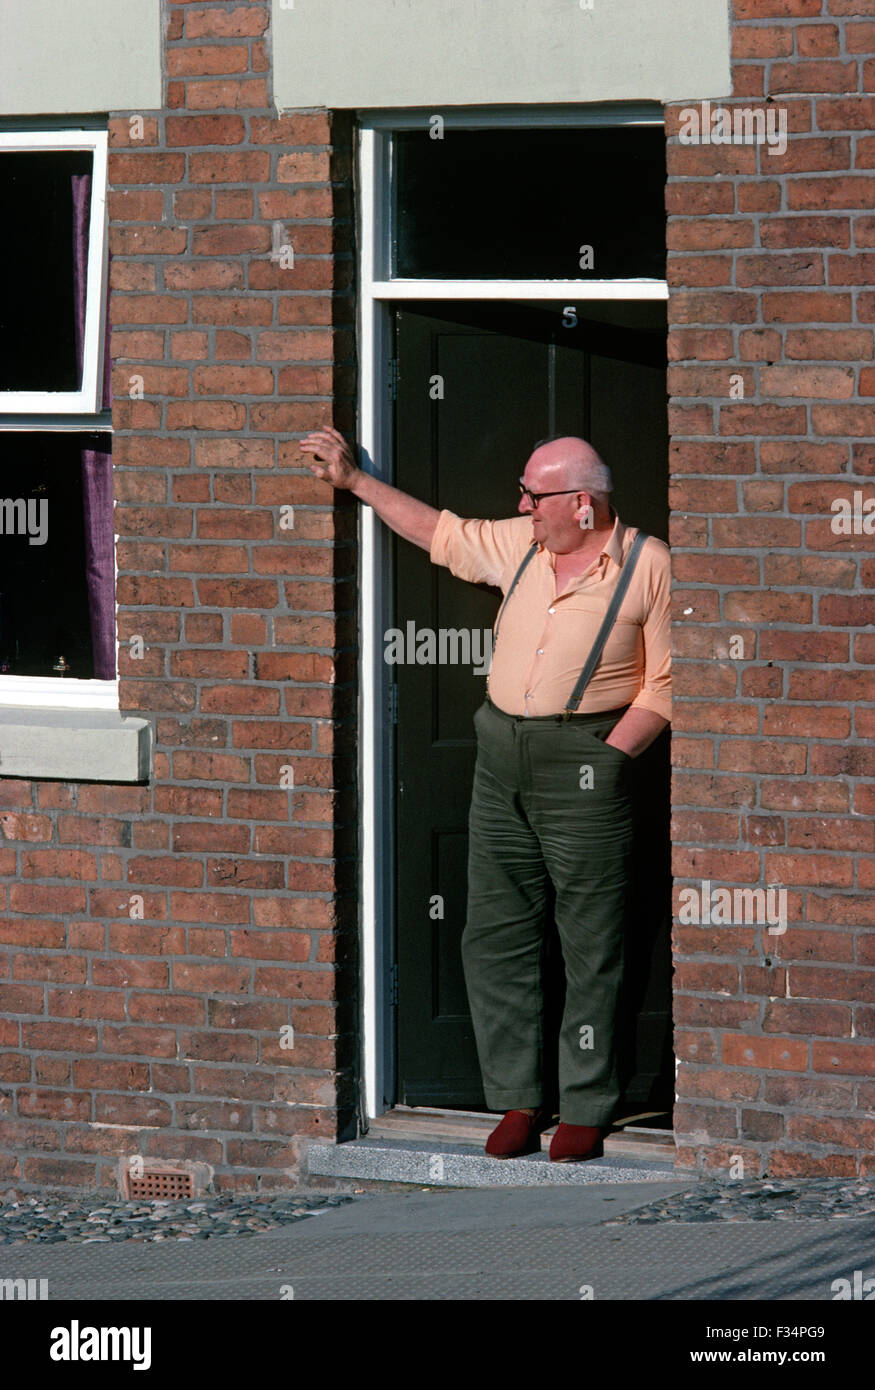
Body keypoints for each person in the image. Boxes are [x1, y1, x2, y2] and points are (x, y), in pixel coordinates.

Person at [300, 427, 671, 1162]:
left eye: (534, 494)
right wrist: (353, 482)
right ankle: (518, 1099)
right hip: (500, 753)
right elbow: (443, 534)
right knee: (495, 935)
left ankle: (586, 1106)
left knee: (591, 941)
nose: (522, 504)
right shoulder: (524, 547)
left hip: (585, 762)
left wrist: (609, 757)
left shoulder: (648, 564)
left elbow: (663, 683)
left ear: (582, 503)